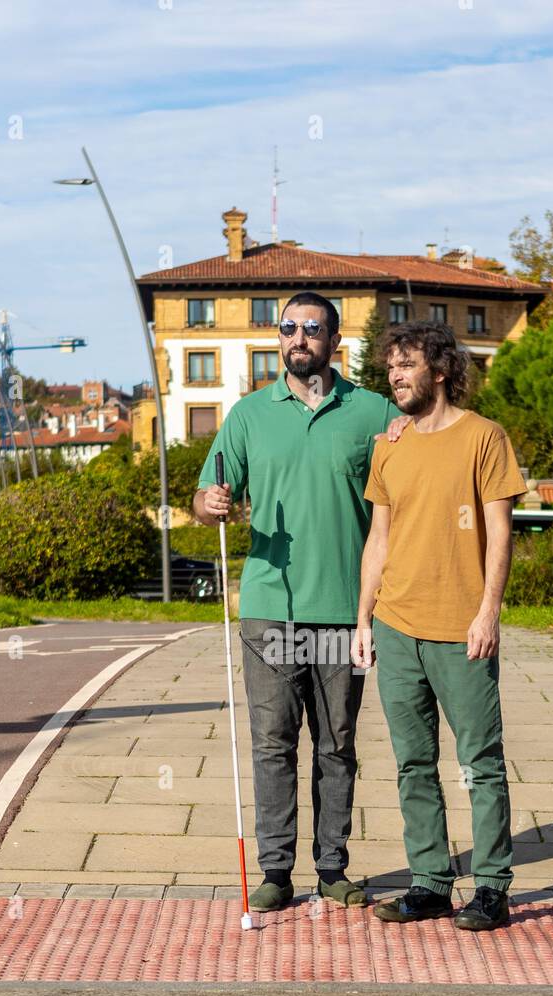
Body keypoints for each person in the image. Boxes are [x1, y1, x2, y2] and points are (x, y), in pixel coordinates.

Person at [194, 292, 399, 910]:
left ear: (335, 341)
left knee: (337, 744)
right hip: (269, 605)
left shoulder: (373, 413)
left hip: (345, 610)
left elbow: (410, 485)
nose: (299, 337)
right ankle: (275, 872)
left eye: (313, 328)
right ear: (277, 338)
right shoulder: (249, 415)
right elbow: (206, 497)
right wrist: (210, 505)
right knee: (272, 741)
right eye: (288, 328)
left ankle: (333, 868)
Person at [351, 321, 526, 929]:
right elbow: (379, 538)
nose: (394, 376)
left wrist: (488, 612)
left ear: (441, 370)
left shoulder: (485, 438)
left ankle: (492, 887)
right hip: (397, 627)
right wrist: (363, 618)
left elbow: (500, 533)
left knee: (480, 760)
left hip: (462, 629)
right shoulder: (388, 444)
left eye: (406, 365)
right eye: (390, 366)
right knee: (412, 761)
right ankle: (428, 881)